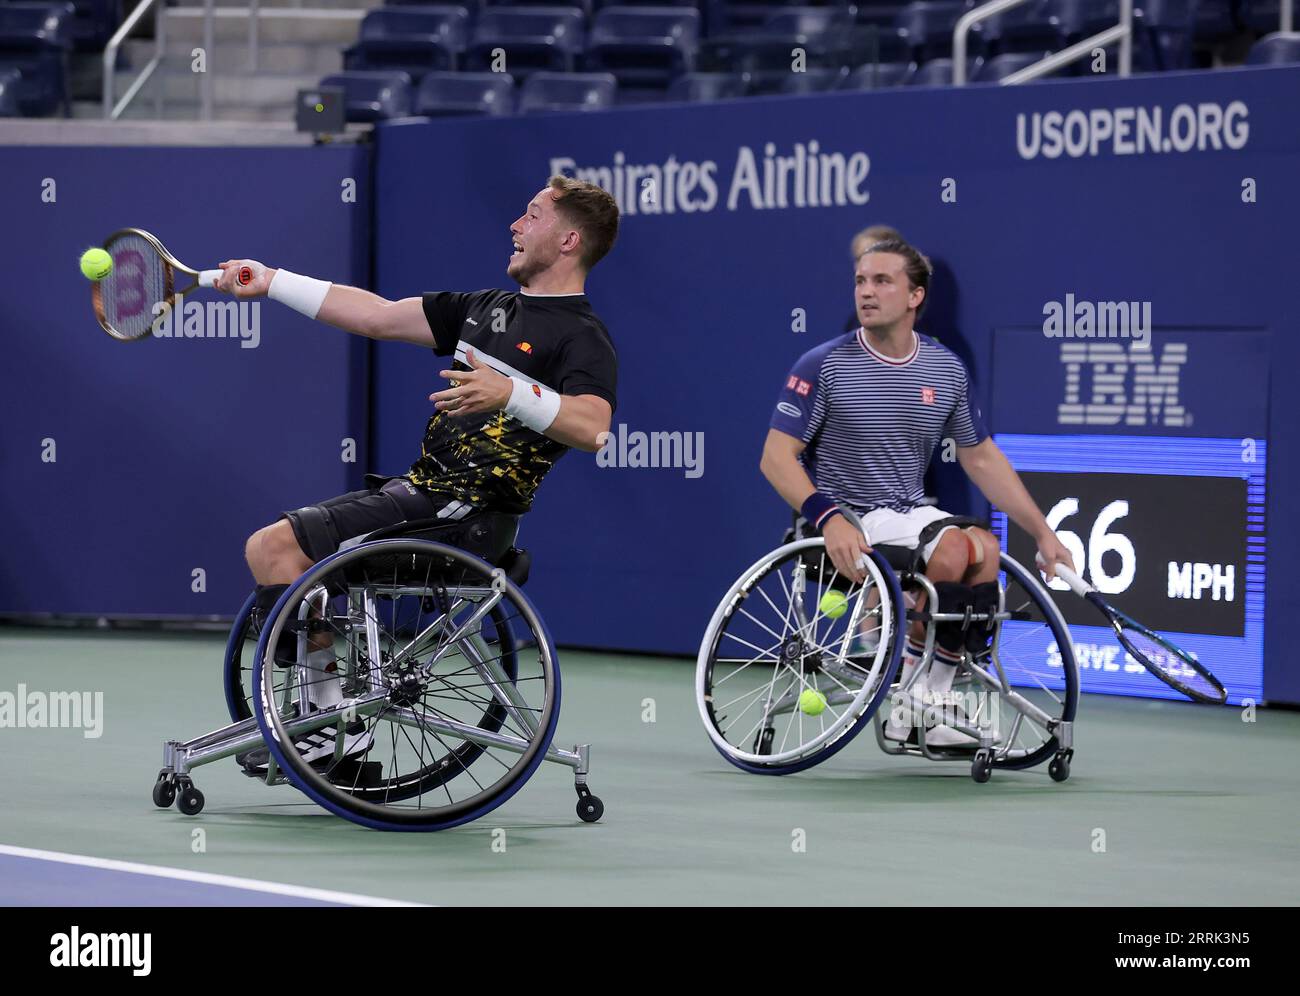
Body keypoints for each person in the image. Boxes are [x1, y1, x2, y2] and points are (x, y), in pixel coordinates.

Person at [213, 174, 620, 764]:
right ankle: (325, 707)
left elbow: (593, 428)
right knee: (276, 552)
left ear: (568, 241)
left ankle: (332, 717)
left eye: (532, 216)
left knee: (275, 549)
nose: (515, 225)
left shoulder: (584, 337)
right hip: (421, 495)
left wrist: (510, 393)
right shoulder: (483, 310)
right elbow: (376, 315)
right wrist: (273, 280)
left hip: (468, 516)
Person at [760, 238, 1074, 746]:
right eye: (861, 281)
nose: (866, 291)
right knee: (954, 546)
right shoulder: (824, 365)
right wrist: (829, 518)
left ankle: (929, 698)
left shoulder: (945, 368)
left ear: (915, 297)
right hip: (845, 518)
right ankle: (915, 696)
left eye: (882, 281)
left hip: (908, 512)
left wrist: (1042, 533)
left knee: (987, 549)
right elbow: (775, 457)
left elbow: (981, 457)